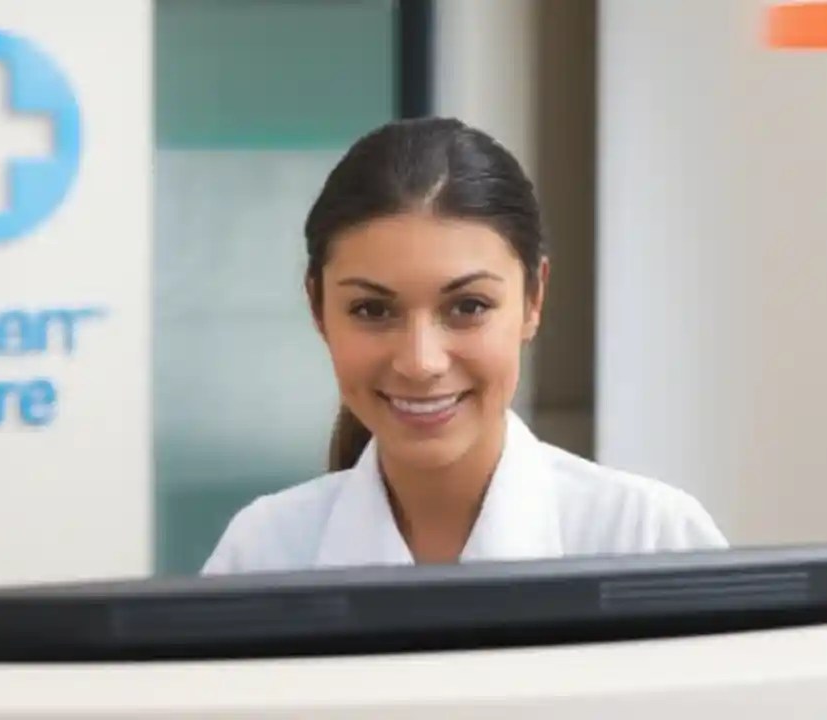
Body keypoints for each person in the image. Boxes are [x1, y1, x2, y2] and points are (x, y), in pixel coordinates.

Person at [202, 117, 726, 575]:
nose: (420, 361)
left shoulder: (648, 540)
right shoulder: (266, 554)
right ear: (318, 309)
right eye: (372, 310)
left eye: (468, 307)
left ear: (533, 298)